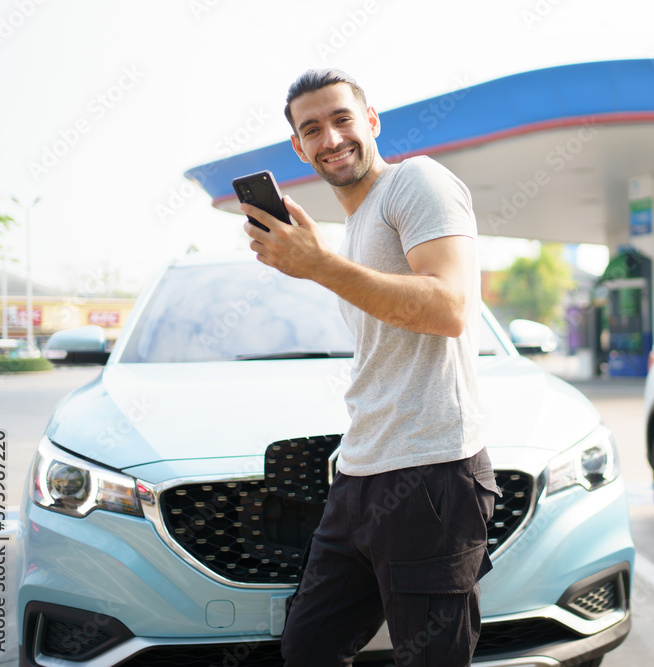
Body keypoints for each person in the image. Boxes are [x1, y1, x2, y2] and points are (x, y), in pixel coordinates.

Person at [241, 68, 500, 667]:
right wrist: (321, 260)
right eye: (312, 129)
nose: (330, 138)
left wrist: (318, 266)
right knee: (308, 649)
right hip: (360, 475)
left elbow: (450, 308)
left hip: (432, 473)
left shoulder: (417, 182)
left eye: (342, 120)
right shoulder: (354, 228)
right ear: (298, 148)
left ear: (372, 122)